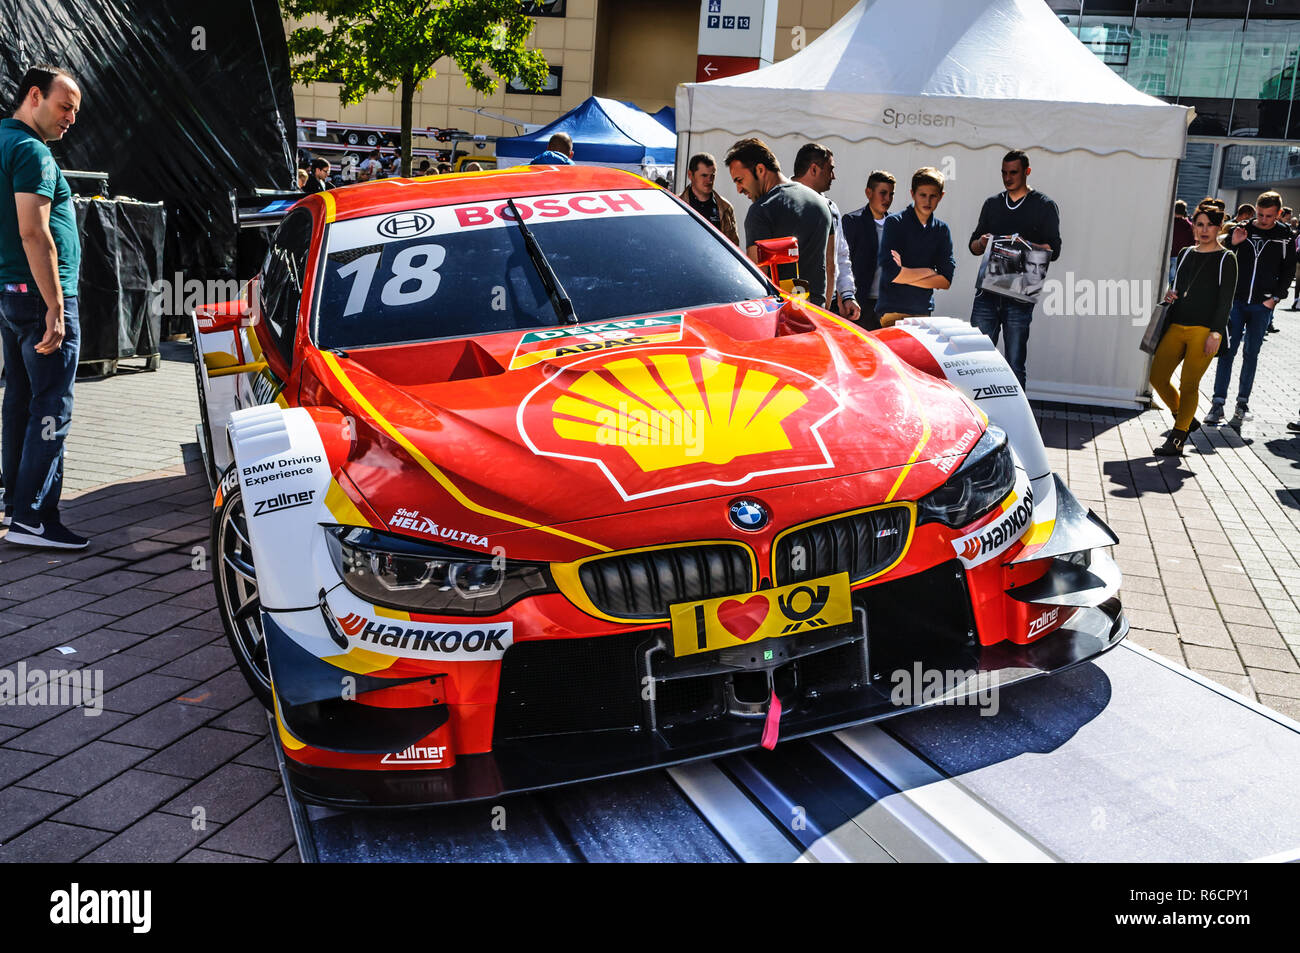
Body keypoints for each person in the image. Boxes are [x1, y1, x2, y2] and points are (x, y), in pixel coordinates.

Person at [0, 65, 87, 548]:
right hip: (38, 298)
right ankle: (34, 519)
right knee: (52, 403)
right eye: (65, 106)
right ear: (34, 95)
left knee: (20, 398)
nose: (71, 118)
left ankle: (15, 500)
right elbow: (35, 231)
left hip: (12, 292)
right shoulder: (31, 151)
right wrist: (55, 305)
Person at [968, 150, 1061, 389]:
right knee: (977, 358)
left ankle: (1016, 419)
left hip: (1021, 294)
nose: (1007, 178)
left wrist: (1021, 244)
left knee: (1014, 363)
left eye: (1013, 173)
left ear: (1027, 172)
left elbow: (1054, 250)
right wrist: (983, 242)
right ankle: (978, 413)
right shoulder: (992, 204)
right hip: (988, 293)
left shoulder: (1044, 206)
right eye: (1004, 173)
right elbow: (974, 245)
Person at [1204, 190, 1296, 428]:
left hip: (1262, 305)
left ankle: (1242, 403)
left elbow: (1288, 270)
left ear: (1278, 214)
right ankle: (1217, 403)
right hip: (1236, 302)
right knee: (1226, 352)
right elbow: (1223, 260)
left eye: (1269, 216)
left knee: (1251, 354)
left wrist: (1275, 298)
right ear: (1255, 210)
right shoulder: (1242, 229)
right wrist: (1234, 244)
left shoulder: (1285, 236)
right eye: (1260, 214)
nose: (1263, 219)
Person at [1150, 203, 1236, 456]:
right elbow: (1178, 286)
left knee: (1189, 383)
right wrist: (1170, 295)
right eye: (1200, 224)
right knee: (1157, 377)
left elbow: (1225, 301)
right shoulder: (1187, 252)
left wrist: (1216, 333)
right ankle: (1185, 419)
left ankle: (1177, 437)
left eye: (1210, 225)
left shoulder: (1225, 258)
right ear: (1194, 226)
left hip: (1205, 330)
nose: (1204, 229)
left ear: (1219, 227)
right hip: (1177, 325)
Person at [724, 137, 833, 308]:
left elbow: (758, 279)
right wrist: (825, 313)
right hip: (817, 314)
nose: (739, 189)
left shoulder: (762, 209)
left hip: (782, 316)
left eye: (740, 180)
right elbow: (830, 264)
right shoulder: (821, 203)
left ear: (760, 170)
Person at [875, 167, 954, 326]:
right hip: (892, 310)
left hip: (923, 311)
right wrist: (929, 272)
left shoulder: (941, 230)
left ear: (941, 196)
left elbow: (946, 280)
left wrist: (904, 274)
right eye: (922, 195)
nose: (927, 201)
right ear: (912, 194)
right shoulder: (895, 223)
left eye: (933, 196)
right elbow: (892, 273)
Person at [791, 143, 859, 321]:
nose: (834, 176)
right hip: (795, 301)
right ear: (814, 169)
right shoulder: (784, 203)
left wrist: (847, 294)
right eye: (830, 169)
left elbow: (841, 256)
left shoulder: (831, 208)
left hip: (830, 306)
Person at [840, 170, 896, 329]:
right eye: (883, 193)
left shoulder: (896, 224)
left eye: (891, 194)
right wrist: (844, 298)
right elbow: (843, 262)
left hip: (888, 303)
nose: (887, 199)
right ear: (868, 193)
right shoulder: (852, 221)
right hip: (860, 303)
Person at [678, 152, 739, 245]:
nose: (709, 180)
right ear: (690, 175)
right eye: (704, 175)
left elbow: (734, 245)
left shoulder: (725, 207)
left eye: (712, 176)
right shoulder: (676, 205)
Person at [1170, 199, 1193, 285]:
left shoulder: (1168, 223)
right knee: (1174, 280)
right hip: (1180, 256)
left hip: (1167, 254)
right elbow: (1192, 242)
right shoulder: (1189, 226)